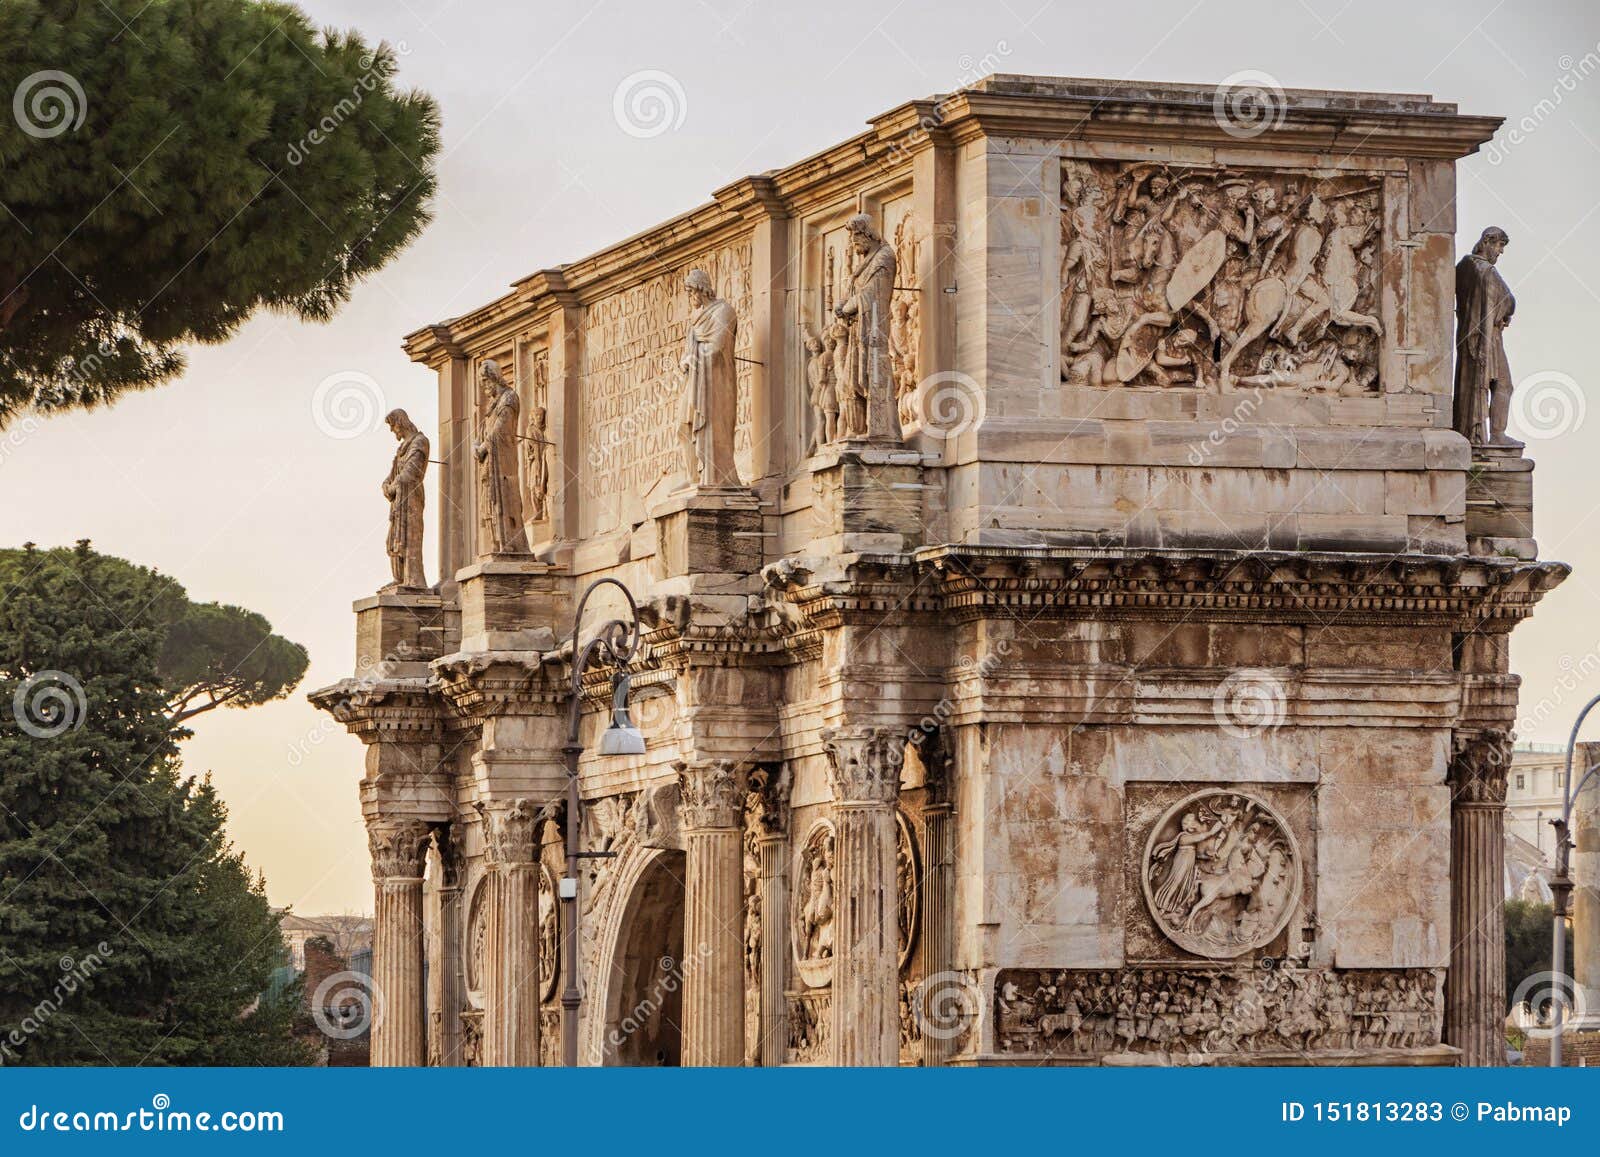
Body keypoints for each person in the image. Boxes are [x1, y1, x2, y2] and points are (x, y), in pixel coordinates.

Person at [1452, 226, 1517, 446]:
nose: (1501, 251)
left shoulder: (1463, 267)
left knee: (1472, 385)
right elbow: (1507, 300)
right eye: (1500, 245)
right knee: (1504, 384)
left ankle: (1474, 430)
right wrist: (1505, 313)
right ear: (1487, 241)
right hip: (1488, 336)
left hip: (1468, 335)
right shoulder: (1486, 271)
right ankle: (1498, 434)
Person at [678, 268, 740, 487]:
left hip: (716, 381)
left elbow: (717, 347)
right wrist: (684, 361)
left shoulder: (724, 311)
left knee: (712, 429)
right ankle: (692, 477)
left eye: (691, 292)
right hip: (695, 379)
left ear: (701, 289)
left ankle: (713, 475)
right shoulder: (694, 318)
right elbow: (688, 350)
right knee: (683, 426)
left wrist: (693, 357)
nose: (690, 297)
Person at [381, 409, 428, 589]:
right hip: (398, 502)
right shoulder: (401, 450)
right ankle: (399, 578)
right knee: (393, 539)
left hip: (411, 499)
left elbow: (411, 472)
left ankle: (413, 580)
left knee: (410, 538)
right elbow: (392, 475)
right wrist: (386, 485)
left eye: (393, 426)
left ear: (400, 423)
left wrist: (393, 486)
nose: (392, 430)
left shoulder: (419, 442)